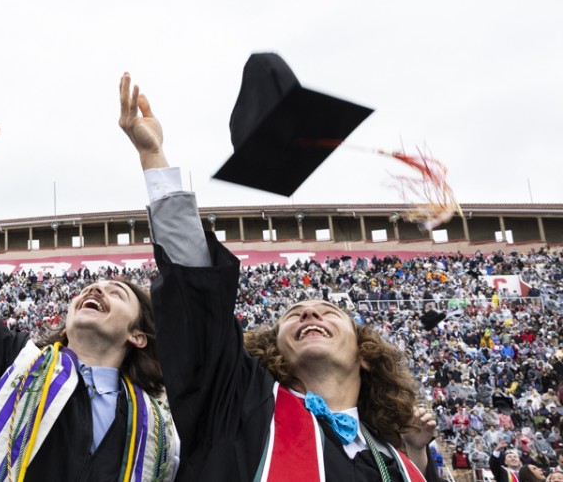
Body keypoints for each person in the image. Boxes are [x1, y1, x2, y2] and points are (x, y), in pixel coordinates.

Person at [121, 72, 441, 482]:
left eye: (328, 311)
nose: (309, 313)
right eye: (294, 314)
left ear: (364, 354)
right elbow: (195, 293)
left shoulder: (396, 467)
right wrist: (154, 156)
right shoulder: (237, 406)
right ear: (276, 354)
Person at [0, 91, 179, 482]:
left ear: (138, 336)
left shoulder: (157, 432)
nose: (95, 290)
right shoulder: (13, 369)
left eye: (116, 292)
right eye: (90, 288)